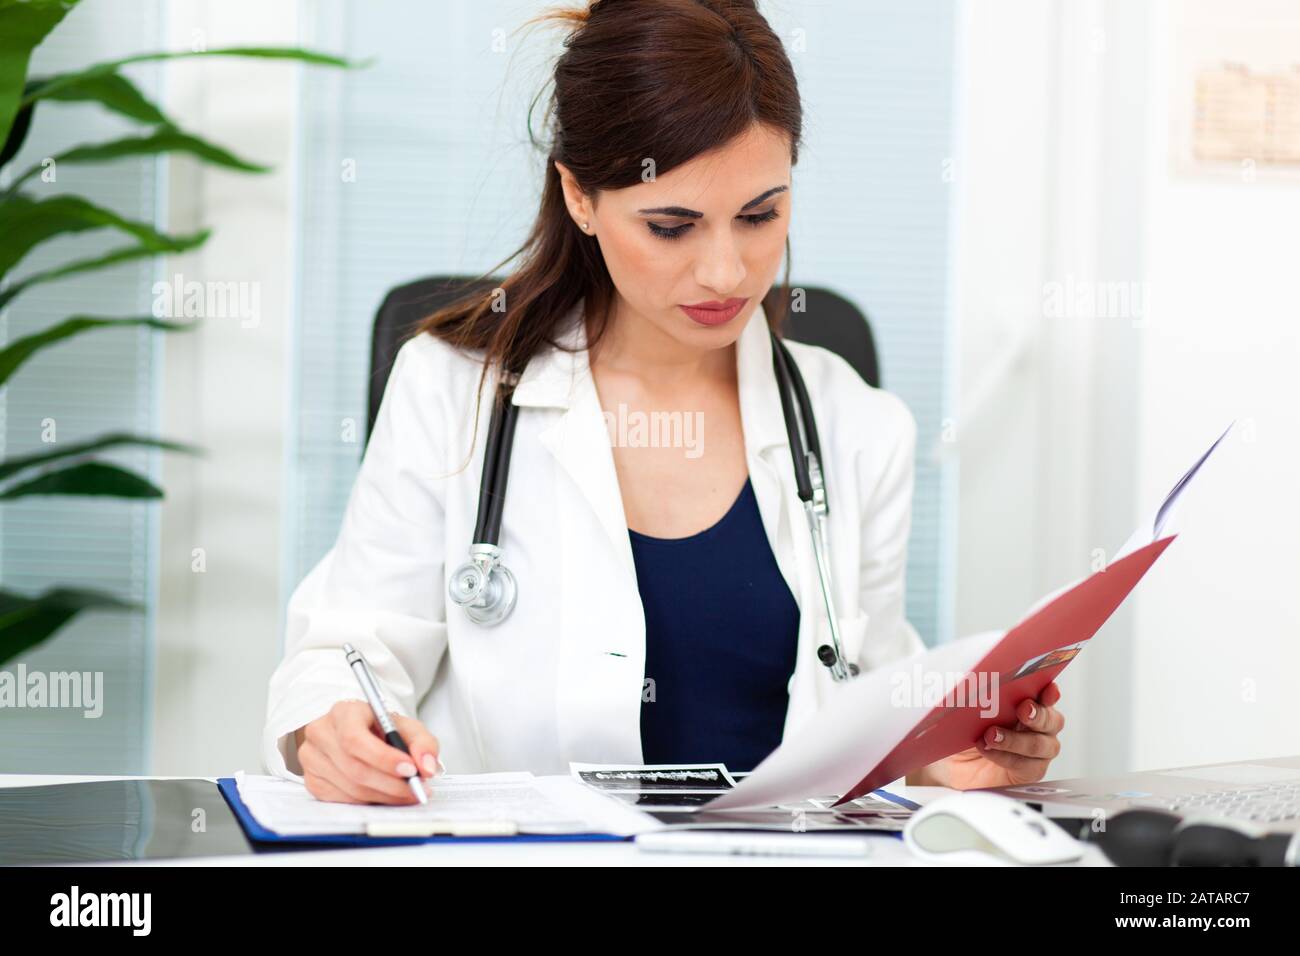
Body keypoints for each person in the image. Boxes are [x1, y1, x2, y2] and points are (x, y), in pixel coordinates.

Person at [262, 0, 1064, 805]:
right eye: (672, 225)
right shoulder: (449, 390)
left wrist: (937, 757)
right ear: (579, 197)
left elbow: (872, 694)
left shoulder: (857, 426)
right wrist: (331, 731)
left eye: (760, 215)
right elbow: (346, 653)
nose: (726, 272)